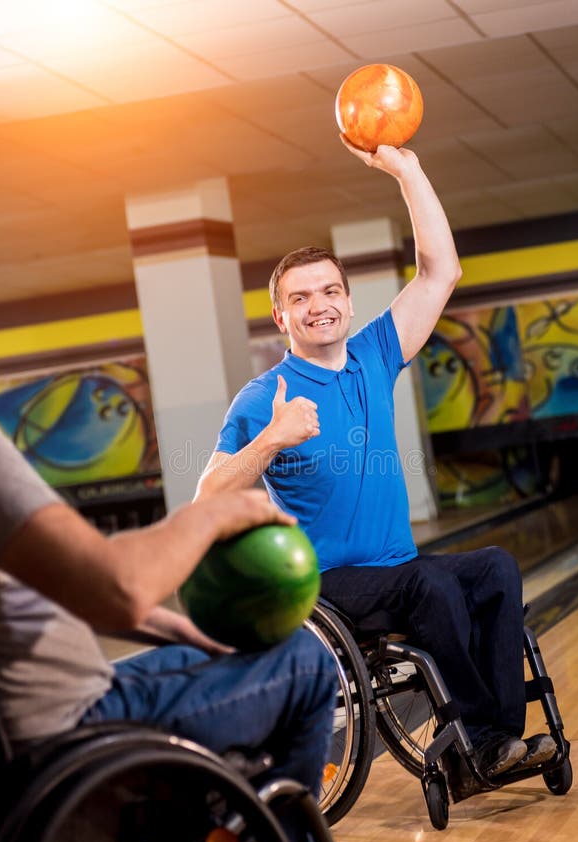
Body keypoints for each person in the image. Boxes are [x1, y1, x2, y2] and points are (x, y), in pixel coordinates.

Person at [196, 135, 555, 780]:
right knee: (430, 582)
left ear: (348, 300)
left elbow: (441, 271)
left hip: (398, 567)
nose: (319, 305)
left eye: (329, 291)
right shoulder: (262, 397)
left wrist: (409, 170)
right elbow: (206, 498)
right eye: (300, 299)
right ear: (281, 318)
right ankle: (476, 740)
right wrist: (269, 440)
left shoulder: (373, 355)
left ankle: (500, 734)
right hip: (329, 584)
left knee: (495, 567)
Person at [0, 285, 337, 842]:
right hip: (69, 745)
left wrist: (178, 632)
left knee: (213, 662)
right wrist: (212, 514)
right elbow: (116, 587)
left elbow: (55, 584)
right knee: (306, 663)